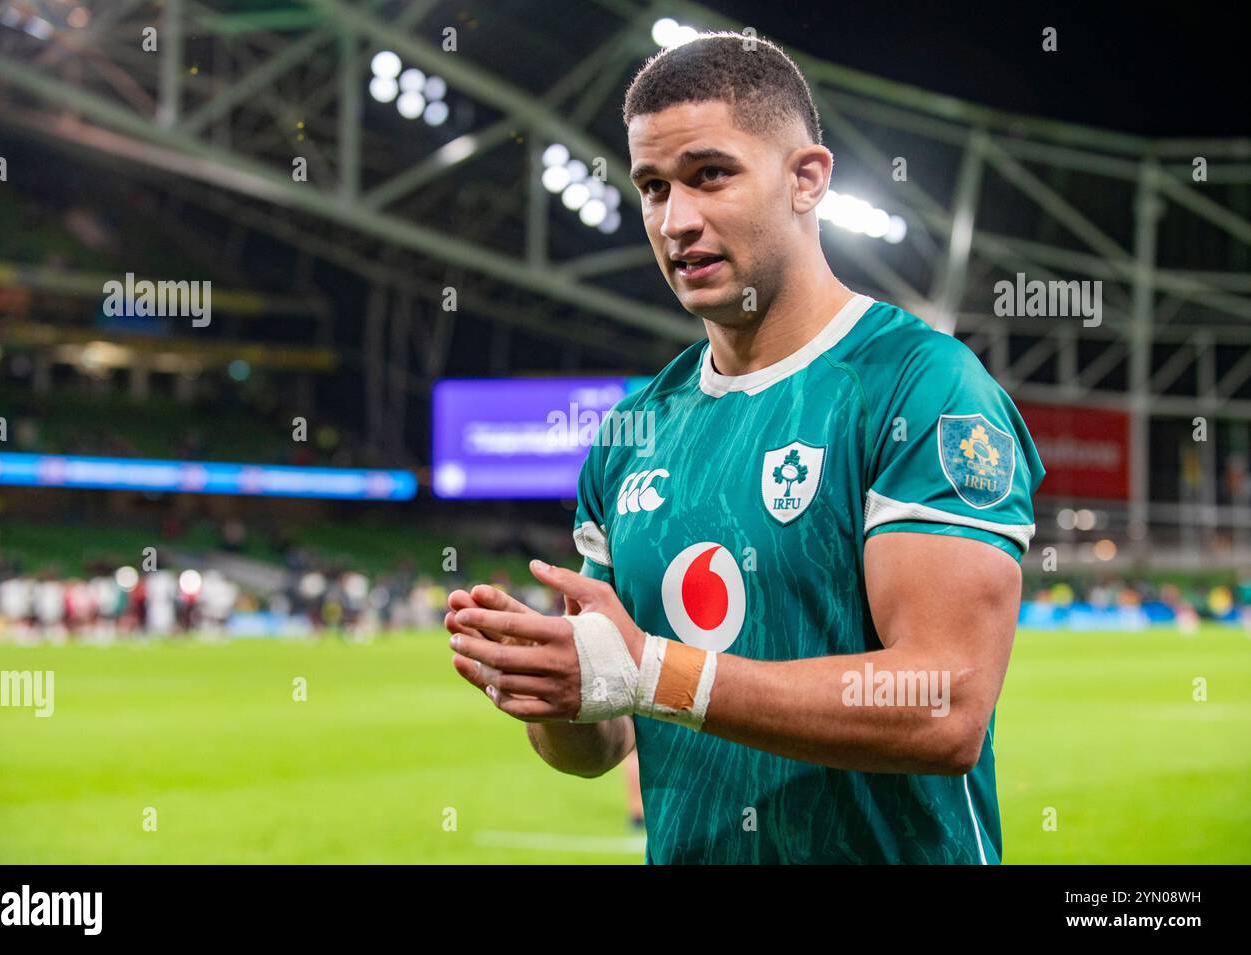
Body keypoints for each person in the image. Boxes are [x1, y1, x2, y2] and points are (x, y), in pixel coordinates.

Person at [446, 33, 1044, 863]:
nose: (675, 220)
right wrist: (554, 690)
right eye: (652, 187)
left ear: (808, 179)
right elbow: (603, 740)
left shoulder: (919, 386)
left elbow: (944, 705)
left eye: (709, 174)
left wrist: (653, 669)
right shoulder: (634, 433)